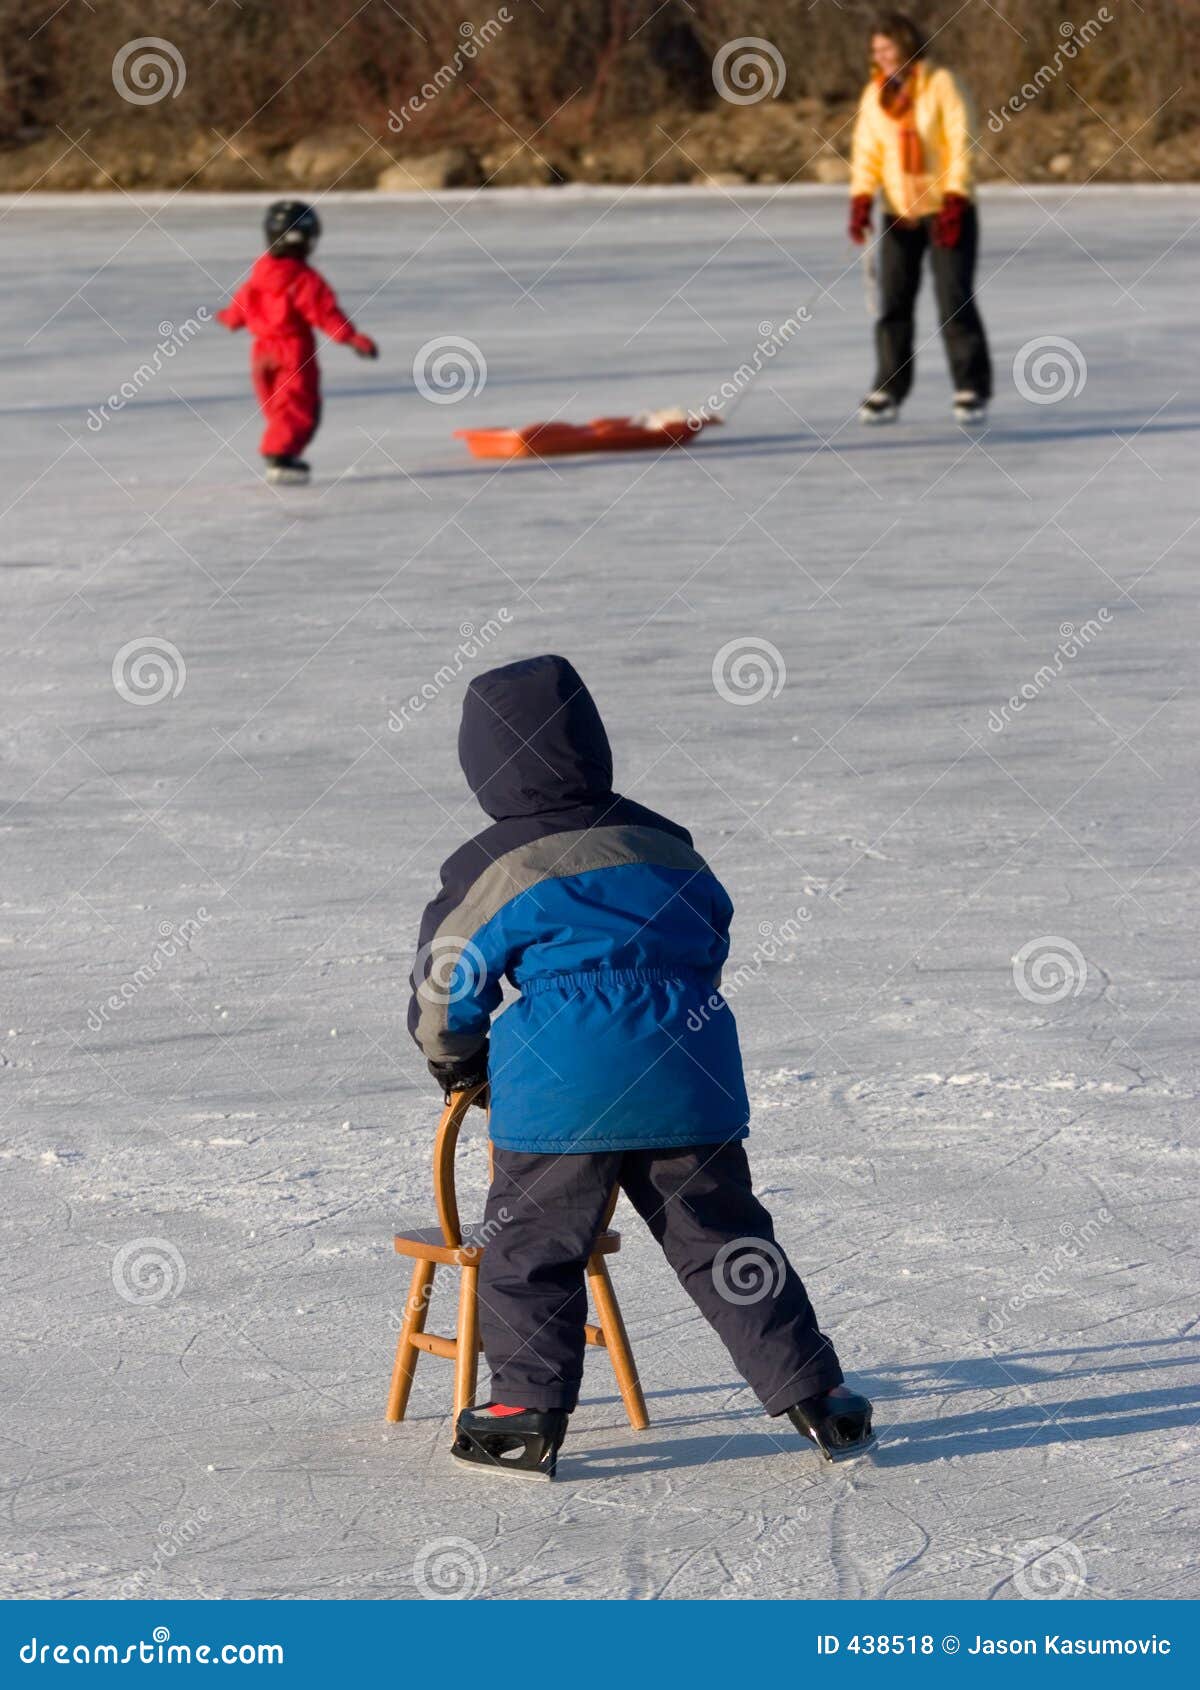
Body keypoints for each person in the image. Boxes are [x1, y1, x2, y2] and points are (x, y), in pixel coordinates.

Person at [407, 653, 874, 1478]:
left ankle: (525, 1409)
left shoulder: (496, 859)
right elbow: (710, 932)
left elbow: (450, 977)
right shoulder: (663, 840)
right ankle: (817, 1395)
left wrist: (457, 1062)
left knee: (530, 1251)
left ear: (481, 762)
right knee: (726, 1240)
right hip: (687, 1074)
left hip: (564, 1093)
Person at [847, 12, 992, 426]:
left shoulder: (941, 84)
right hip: (898, 212)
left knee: (953, 300)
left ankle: (971, 387)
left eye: (887, 48)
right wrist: (861, 199)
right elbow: (868, 152)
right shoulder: (874, 94)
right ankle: (889, 388)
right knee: (893, 303)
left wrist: (955, 198)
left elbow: (961, 141)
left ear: (907, 46)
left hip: (947, 209)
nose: (881, 56)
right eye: (876, 51)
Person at [216, 200, 378, 485]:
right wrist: (352, 338)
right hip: (292, 351)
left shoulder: (259, 274)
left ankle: (282, 453)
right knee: (299, 407)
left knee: (278, 408)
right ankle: (279, 457)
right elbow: (325, 313)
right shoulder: (304, 279)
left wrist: (229, 318)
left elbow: (240, 307)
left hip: (261, 353)